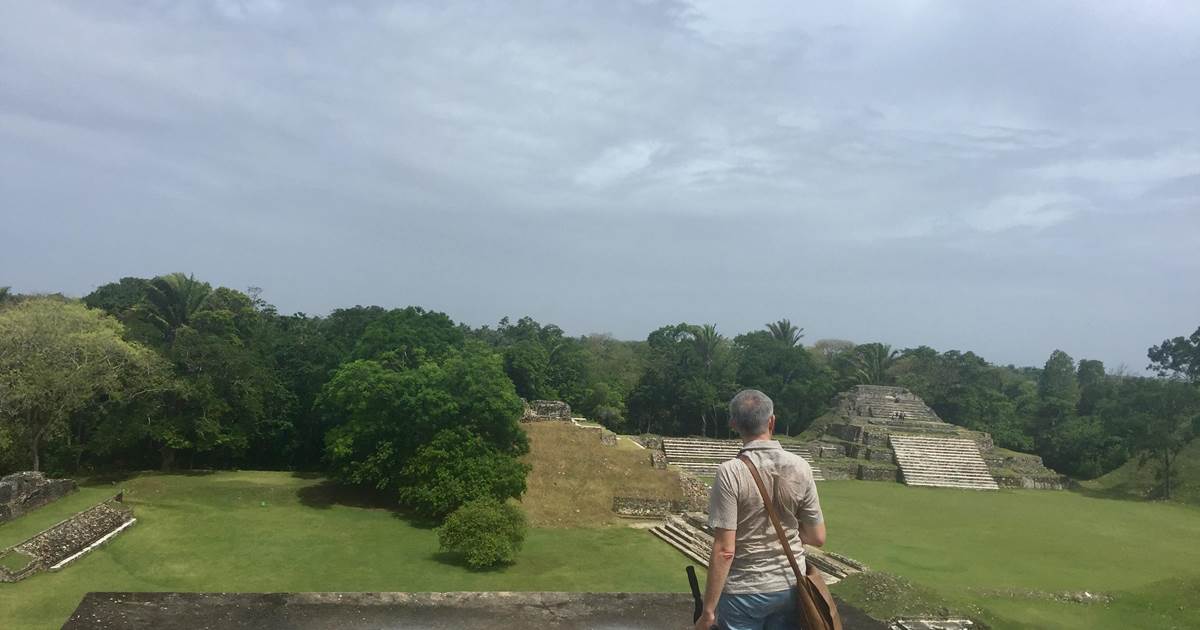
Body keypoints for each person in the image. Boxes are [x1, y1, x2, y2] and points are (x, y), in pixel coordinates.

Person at [695, 389, 826, 630]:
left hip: (744, 589)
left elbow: (725, 550)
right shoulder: (801, 467)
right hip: (790, 583)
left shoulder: (730, 471)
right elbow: (817, 537)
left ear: (734, 424)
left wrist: (708, 611)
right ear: (772, 421)